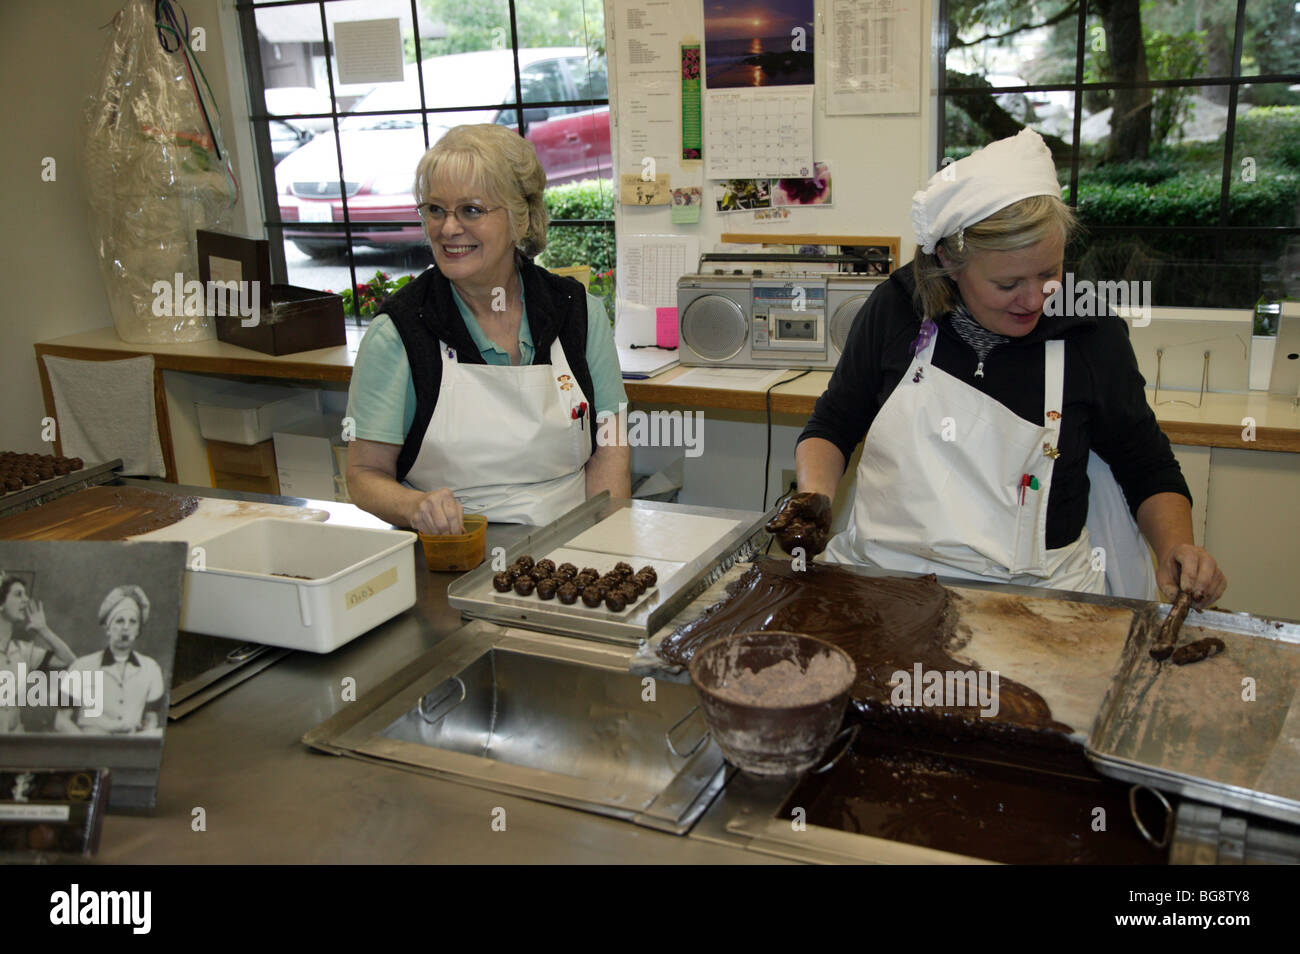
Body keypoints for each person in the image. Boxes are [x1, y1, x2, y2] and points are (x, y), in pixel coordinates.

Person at [772, 128, 1226, 605]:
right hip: (887, 583)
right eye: (1008, 283)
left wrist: (1178, 546)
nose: (1035, 299)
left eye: (1050, 273)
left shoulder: (1090, 334)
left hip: (1040, 601)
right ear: (949, 260)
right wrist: (816, 497)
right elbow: (834, 423)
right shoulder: (898, 310)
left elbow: (1146, 465)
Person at [345, 124, 630, 533]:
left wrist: (606, 543)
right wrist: (415, 506)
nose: (448, 229)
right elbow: (364, 473)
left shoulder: (577, 313)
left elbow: (610, 448)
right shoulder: (400, 333)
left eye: (471, 210)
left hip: (570, 546)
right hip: (453, 553)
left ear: (523, 220)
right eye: (435, 209)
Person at [56, 585, 165, 735]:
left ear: (138, 629)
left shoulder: (151, 669)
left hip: (131, 747)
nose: (125, 628)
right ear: (108, 628)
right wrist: (85, 746)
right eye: (119, 621)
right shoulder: (81, 666)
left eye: (133, 622)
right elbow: (61, 721)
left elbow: (151, 720)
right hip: (91, 745)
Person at [0, 573, 76, 733]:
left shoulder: (23, 651)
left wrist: (43, 630)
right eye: (18, 594)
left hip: (14, 748)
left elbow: (69, 660)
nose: (26, 600)